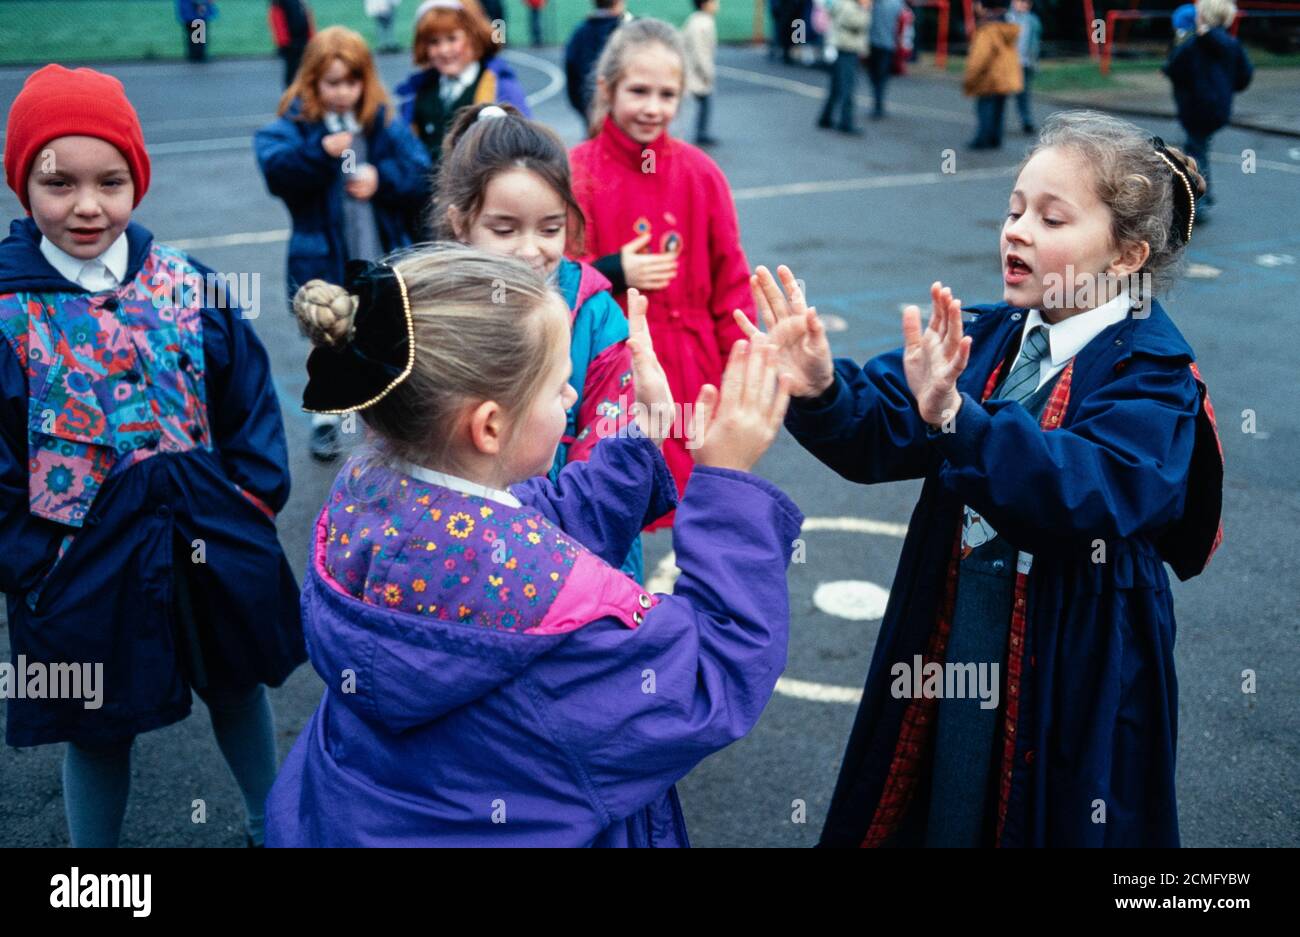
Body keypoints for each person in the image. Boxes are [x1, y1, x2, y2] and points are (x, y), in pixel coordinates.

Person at [739, 111, 1224, 847]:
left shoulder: (1153, 376)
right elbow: (885, 425)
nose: (1017, 230)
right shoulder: (990, 333)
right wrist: (820, 388)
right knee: (949, 791)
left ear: (1127, 255)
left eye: (1052, 218)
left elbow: (1089, 488)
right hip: (961, 624)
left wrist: (959, 418)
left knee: (1052, 808)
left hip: (1077, 651)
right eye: (1014, 208)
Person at [264, 245, 802, 846]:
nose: (572, 400)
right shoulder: (561, 635)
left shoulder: (371, 494)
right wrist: (729, 485)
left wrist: (643, 435)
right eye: (559, 389)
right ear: (490, 425)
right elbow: (712, 673)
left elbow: (539, 522)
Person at [0, 65, 304, 848]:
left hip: (207, 532)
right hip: (80, 565)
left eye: (111, 180)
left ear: (137, 180)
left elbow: (250, 400)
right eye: (59, 183)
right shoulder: (8, 312)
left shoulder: (187, 284)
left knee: (236, 684)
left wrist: (251, 500)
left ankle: (270, 824)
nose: (88, 205)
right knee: (97, 725)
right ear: (22, 184)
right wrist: (33, 559)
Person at [436, 103, 642, 579]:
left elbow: (608, 465)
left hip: (576, 558)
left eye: (550, 229)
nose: (531, 251)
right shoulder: (430, 311)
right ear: (460, 223)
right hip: (457, 558)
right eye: (504, 230)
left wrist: (532, 540)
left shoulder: (596, 317)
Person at [570, 18, 758, 529]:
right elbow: (551, 282)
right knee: (612, 511)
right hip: (608, 377)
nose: (653, 107)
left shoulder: (702, 173)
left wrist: (738, 377)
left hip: (694, 376)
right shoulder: (576, 172)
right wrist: (612, 271)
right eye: (638, 91)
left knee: (698, 512)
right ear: (607, 89)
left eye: (667, 94)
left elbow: (732, 286)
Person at [255, 26, 431, 462]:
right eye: (332, 83)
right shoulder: (297, 127)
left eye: (351, 82)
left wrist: (381, 180)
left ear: (364, 81)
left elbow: (420, 171)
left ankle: (384, 414)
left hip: (376, 247)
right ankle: (326, 417)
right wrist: (319, 153)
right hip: (323, 253)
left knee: (382, 328)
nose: (343, 93)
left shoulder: (381, 123)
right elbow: (276, 172)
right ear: (312, 81)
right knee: (327, 333)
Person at [395, 0, 533, 172]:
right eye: (434, 42)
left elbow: (523, 150)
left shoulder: (501, 88)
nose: (444, 50)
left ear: (474, 37)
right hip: (425, 195)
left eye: (452, 39)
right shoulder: (416, 94)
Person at [1162, 0, 1252, 215]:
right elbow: (1244, 76)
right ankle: (1205, 195)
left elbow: (1173, 68)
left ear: (1202, 16)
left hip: (1196, 108)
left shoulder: (1193, 45)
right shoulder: (1232, 45)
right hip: (1219, 108)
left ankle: (1198, 201)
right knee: (1200, 146)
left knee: (1195, 151)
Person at [963, 3, 1023, 150]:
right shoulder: (1008, 26)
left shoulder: (987, 29)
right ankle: (995, 138)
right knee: (999, 109)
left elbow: (980, 58)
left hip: (989, 77)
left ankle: (982, 139)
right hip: (1005, 76)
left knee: (984, 108)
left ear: (984, 7)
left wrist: (970, 78)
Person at [564, 0, 629, 128]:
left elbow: (572, 79)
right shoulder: (629, 32)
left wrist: (586, 109)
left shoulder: (579, 33)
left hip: (590, 112)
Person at [818, 0, 872, 135]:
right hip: (846, 49)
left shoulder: (840, 3)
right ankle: (845, 122)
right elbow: (859, 23)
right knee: (847, 87)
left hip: (838, 47)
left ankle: (825, 118)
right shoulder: (848, 6)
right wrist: (866, 10)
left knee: (835, 87)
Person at [683, 0, 722, 146]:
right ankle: (699, 134)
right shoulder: (702, 24)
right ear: (706, 4)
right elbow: (700, 52)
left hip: (694, 72)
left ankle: (701, 132)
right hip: (695, 73)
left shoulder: (698, 20)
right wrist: (707, 72)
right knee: (697, 103)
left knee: (704, 103)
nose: (718, 5)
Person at [1005, 0, 1040, 133]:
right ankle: (997, 123)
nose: (1023, 5)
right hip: (1007, 63)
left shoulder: (1032, 20)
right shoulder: (1007, 18)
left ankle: (1026, 121)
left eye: (1027, 3)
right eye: (1020, 2)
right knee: (1001, 94)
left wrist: (1034, 61)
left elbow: (1035, 43)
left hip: (1024, 63)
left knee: (1023, 94)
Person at [865, 0, 901, 117]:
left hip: (874, 44)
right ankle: (878, 103)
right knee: (881, 77)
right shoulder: (897, 4)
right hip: (888, 44)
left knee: (875, 76)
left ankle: (878, 104)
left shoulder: (873, 4)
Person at [269, 0, 316, 88]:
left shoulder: (300, 2)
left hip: (303, 41)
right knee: (292, 71)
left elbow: (307, 18)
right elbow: (277, 20)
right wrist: (284, 42)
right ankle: (290, 95)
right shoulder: (279, 3)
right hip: (290, 44)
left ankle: (304, 92)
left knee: (307, 69)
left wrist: (312, 38)